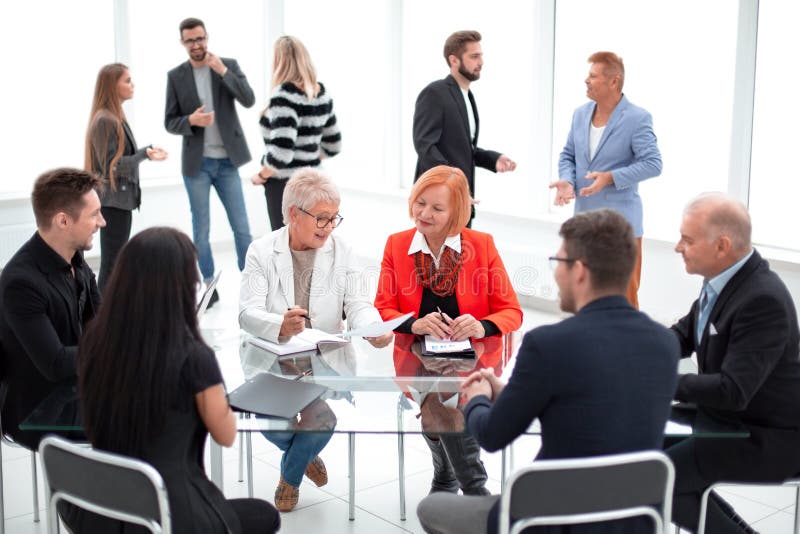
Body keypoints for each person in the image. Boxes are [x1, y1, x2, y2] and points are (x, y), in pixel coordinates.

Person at [416, 208, 679, 534]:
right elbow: (590, 406)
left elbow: (493, 435)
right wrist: (511, 393)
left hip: (550, 517)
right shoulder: (665, 344)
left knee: (432, 507)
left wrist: (477, 399)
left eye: (559, 263)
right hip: (632, 517)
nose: (556, 275)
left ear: (579, 271)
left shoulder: (548, 344)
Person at [65, 227, 280, 533]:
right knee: (264, 516)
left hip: (102, 510)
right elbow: (226, 435)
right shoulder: (194, 357)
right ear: (182, 287)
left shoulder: (94, 343)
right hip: (170, 512)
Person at [239, 168, 392, 512]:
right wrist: (279, 323)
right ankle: (303, 455)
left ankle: (290, 476)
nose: (329, 227)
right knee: (271, 425)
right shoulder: (262, 251)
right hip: (273, 359)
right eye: (321, 218)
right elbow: (247, 313)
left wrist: (373, 328)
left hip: (322, 361)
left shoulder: (343, 251)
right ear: (294, 214)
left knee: (323, 421)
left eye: (333, 218)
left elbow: (358, 305)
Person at [374, 165, 523, 497]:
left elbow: (512, 311)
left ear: (457, 213)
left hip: (475, 359)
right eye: (420, 202)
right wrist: (414, 323)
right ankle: (471, 488)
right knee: (440, 411)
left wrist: (481, 325)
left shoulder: (481, 245)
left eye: (437, 208)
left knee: (448, 409)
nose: (424, 213)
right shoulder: (397, 245)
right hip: (418, 358)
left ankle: (449, 479)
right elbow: (383, 306)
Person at [666, 193, 800, 534]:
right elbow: (681, 336)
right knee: (645, 449)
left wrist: (660, 382)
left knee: (659, 479)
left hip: (767, 438)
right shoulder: (723, 282)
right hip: (728, 421)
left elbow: (732, 390)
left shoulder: (761, 299)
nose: (677, 247)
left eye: (687, 239)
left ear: (722, 246)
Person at [0, 168, 104, 450]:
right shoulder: (21, 282)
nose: (102, 222)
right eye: (94, 214)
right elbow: (56, 364)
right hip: (37, 409)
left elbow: (101, 324)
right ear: (63, 220)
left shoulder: (75, 259)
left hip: (75, 385)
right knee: (137, 424)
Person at [550, 51, 662, 309]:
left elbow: (653, 164)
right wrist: (567, 181)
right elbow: (568, 155)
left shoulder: (637, 118)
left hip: (621, 227)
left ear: (614, 81)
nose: (586, 81)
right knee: (581, 294)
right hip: (583, 224)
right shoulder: (580, 114)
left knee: (623, 298)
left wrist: (611, 177)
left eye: (593, 76)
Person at [165, 17, 254, 306]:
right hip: (197, 165)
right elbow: (170, 121)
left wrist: (223, 71)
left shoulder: (225, 64)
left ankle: (253, 286)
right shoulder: (176, 76)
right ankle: (208, 287)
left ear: (207, 38)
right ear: (182, 43)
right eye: (190, 40)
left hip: (228, 162)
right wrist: (191, 120)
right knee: (200, 230)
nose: (196, 44)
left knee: (241, 227)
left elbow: (249, 99)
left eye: (200, 38)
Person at [413, 30, 516, 227]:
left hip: (460, 204)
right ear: (454, 60)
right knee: (435, 258)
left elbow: (463, 149)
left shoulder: (467, 96)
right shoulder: (435, 93)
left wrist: (494, 159)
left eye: (481, 56)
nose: (481, 62)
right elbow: (425, 146)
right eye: (474, 56)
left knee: (460, 257)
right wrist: (454, 185)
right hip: (437, 205)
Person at [85, 63, 168, 292]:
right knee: (112, 262)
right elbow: (112, 167)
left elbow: (118, 159)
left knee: (116, 261)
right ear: (113, 85)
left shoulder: (114, 117)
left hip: (120, 202)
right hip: (113, 203)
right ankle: (100, 318)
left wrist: (146, 152)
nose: (132, 85)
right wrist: (144, 155)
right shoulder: (105, 120)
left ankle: (104, 315)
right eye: (127, 80)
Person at [252, 35, 341, 231]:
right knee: (314, 244)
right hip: (316, 182)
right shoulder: (321, 93)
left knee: (285, 245)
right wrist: (308, 156)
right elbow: (334, 145)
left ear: (279, 61)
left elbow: (281, 153)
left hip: (286, 185)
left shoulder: (283, 95)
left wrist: (261, 174)